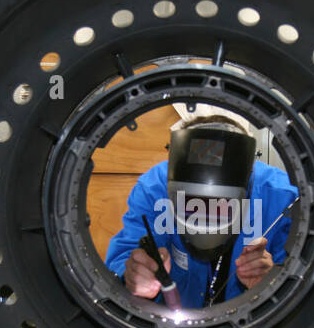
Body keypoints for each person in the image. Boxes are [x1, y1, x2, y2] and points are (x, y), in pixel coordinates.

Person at [105, 115, 298, 308]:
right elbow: (125, 255)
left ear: (247, 170)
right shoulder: (154, 188)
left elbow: (298, 277)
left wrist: (273, 282)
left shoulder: (282, 195)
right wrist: (132, 274)